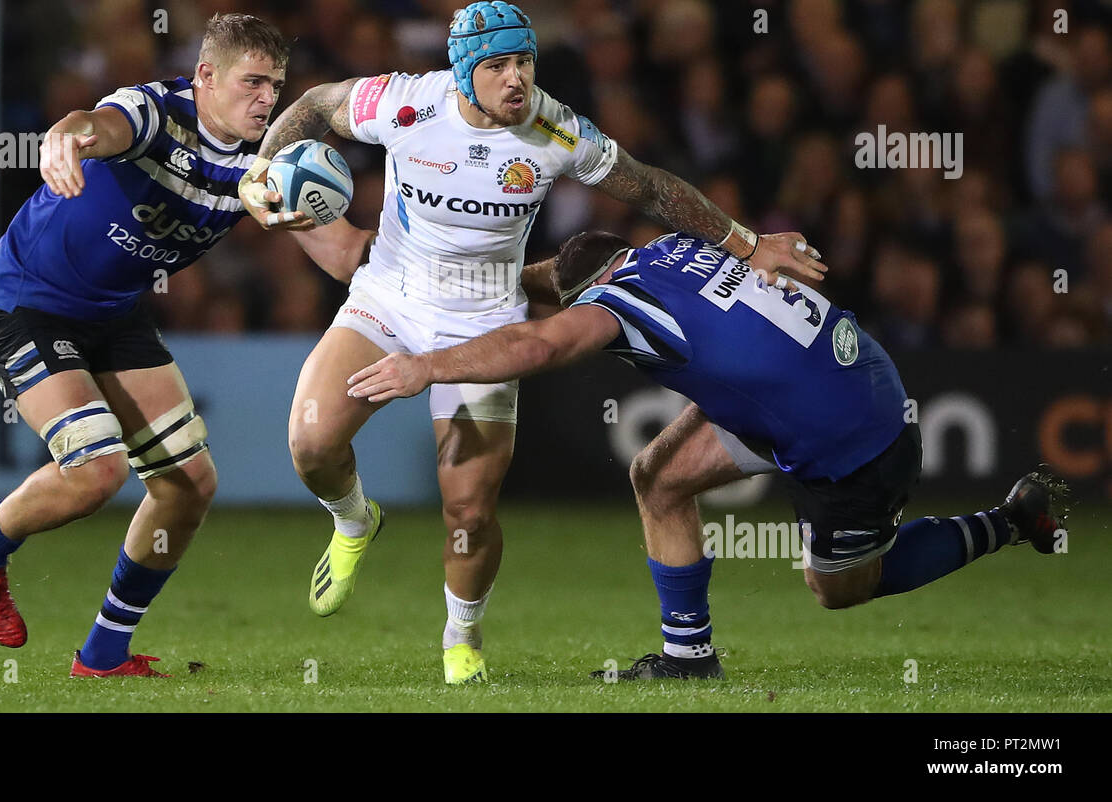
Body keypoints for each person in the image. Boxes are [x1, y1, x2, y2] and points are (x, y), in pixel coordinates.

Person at [238, 0, 825, 683]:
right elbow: (315, 103)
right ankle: (353, 519)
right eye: (497, 67)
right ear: (463, 74)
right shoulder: (404, 104)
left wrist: (746, 243)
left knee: (468, 508)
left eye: (524, 61)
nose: (516, 79)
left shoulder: (556, 129)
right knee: (311, 443)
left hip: (483, 322)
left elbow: (651, 188)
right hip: (389, 298)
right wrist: (263, 164)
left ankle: (463, 639)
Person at [347, 230, 1069, 679]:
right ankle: (687, 659)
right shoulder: (675, 246)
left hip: (850, 437)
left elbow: (538, 343)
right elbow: (554, 283)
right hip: (845, 377)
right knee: (657, 477)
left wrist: (428, 366)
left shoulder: (615, 303)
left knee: (841, 587)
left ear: (590, 291)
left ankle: (1010, 519)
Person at [0, 13, 369, 677]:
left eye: (277, 85)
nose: (267, 99)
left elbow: (348, 257)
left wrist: (446, 262)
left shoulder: (265, 169)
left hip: (114, 315)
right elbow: (93, 126)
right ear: (206, 77)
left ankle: (102, 656)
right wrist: (66, 138)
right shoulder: (155, 113)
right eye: (252, 82)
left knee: (188, 484)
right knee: (95, 472)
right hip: (25, 303)